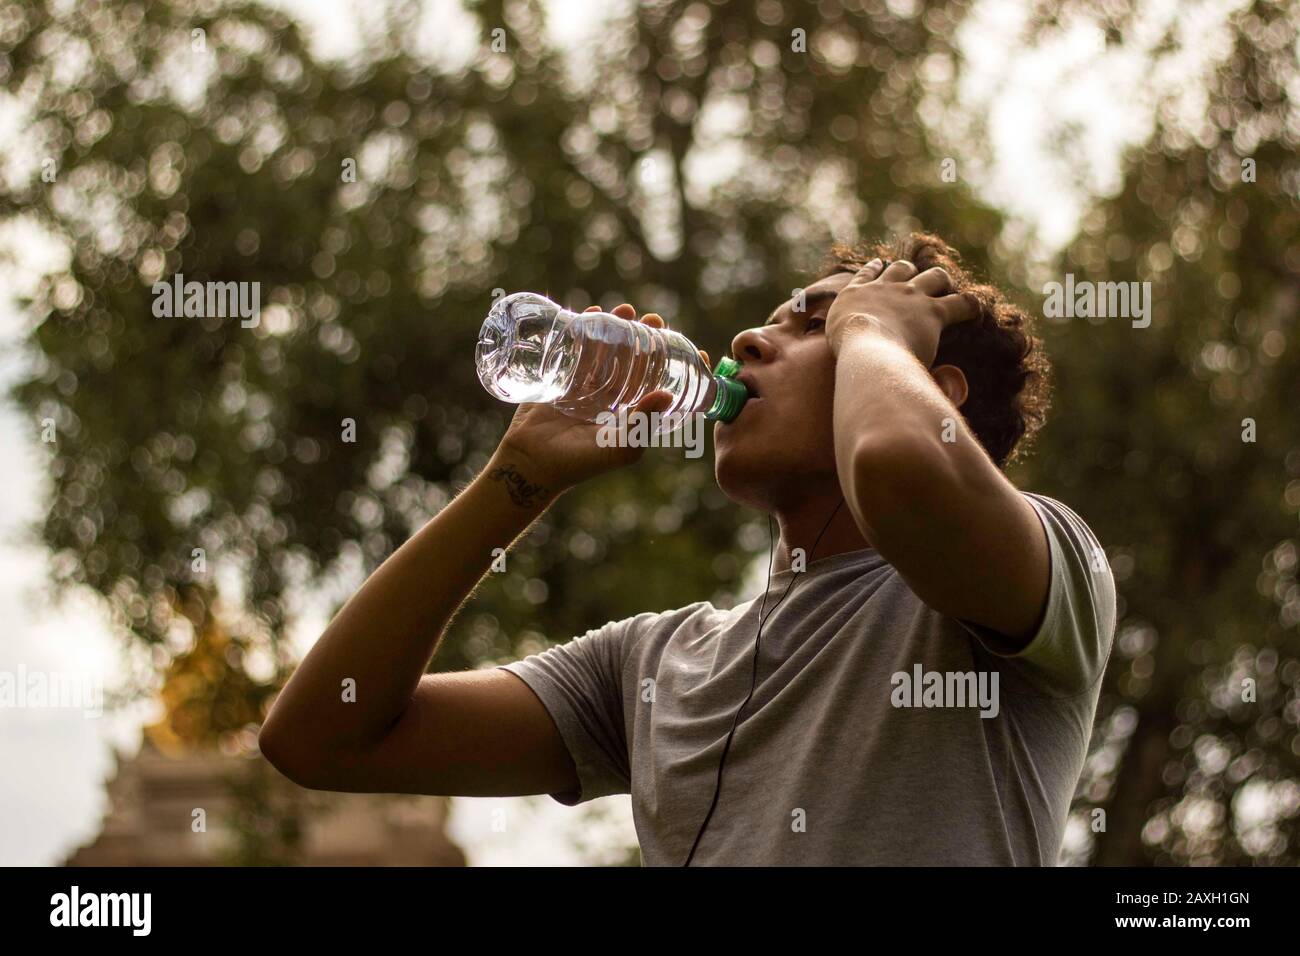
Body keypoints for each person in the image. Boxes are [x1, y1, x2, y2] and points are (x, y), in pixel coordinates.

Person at [259, 232, 1116, 865]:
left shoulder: (1046, 570)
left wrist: (877, 334)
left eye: (815, 323)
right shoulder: (650, 664)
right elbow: (320, 738)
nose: (749, 341)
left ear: (933, 386)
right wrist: (515, 479)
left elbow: (895, 465)